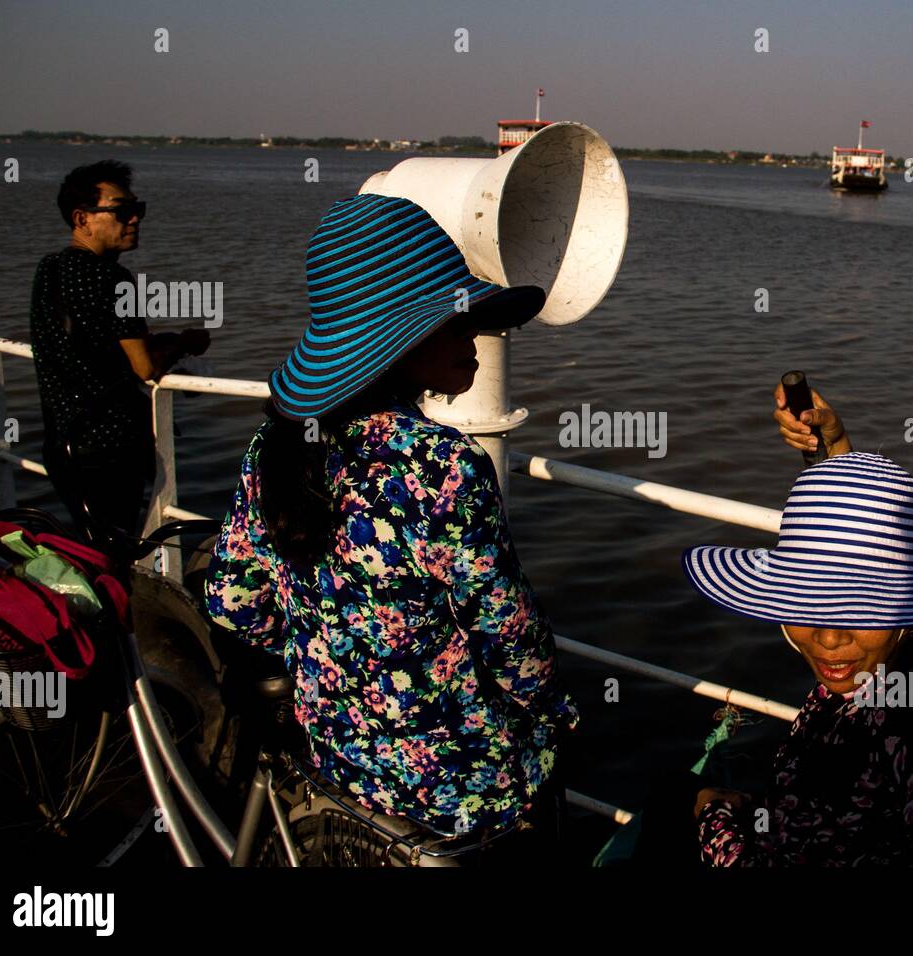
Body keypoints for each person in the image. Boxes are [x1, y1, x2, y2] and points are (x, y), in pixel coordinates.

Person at [203, 194, 578, 858]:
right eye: (457, 323)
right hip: (459, 790)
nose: (478, 337)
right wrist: (557, 712)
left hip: (339, 762)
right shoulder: (442, 468)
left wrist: (339, 658)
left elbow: (234, 604)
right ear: (395, 342)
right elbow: (510, 641)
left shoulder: (276, 446)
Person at [678, 382, 913, 866]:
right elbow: (865, 540)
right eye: (808, 602)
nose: (831, 639)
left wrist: (714, 815)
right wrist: (836, 450)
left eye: (861, 610)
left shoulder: (853, 765)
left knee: (673, 797)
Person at [30, 160, 209, 546]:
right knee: (116, 552)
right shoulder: (112, 278)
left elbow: (92, 344)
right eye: (121, 211)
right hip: (108, 448)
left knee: (91, 546)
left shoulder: (50, 269)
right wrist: (182, 343)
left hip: (62, 443)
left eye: (137, 209)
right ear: (82, 218)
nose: (134, 220)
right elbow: (145, 367)